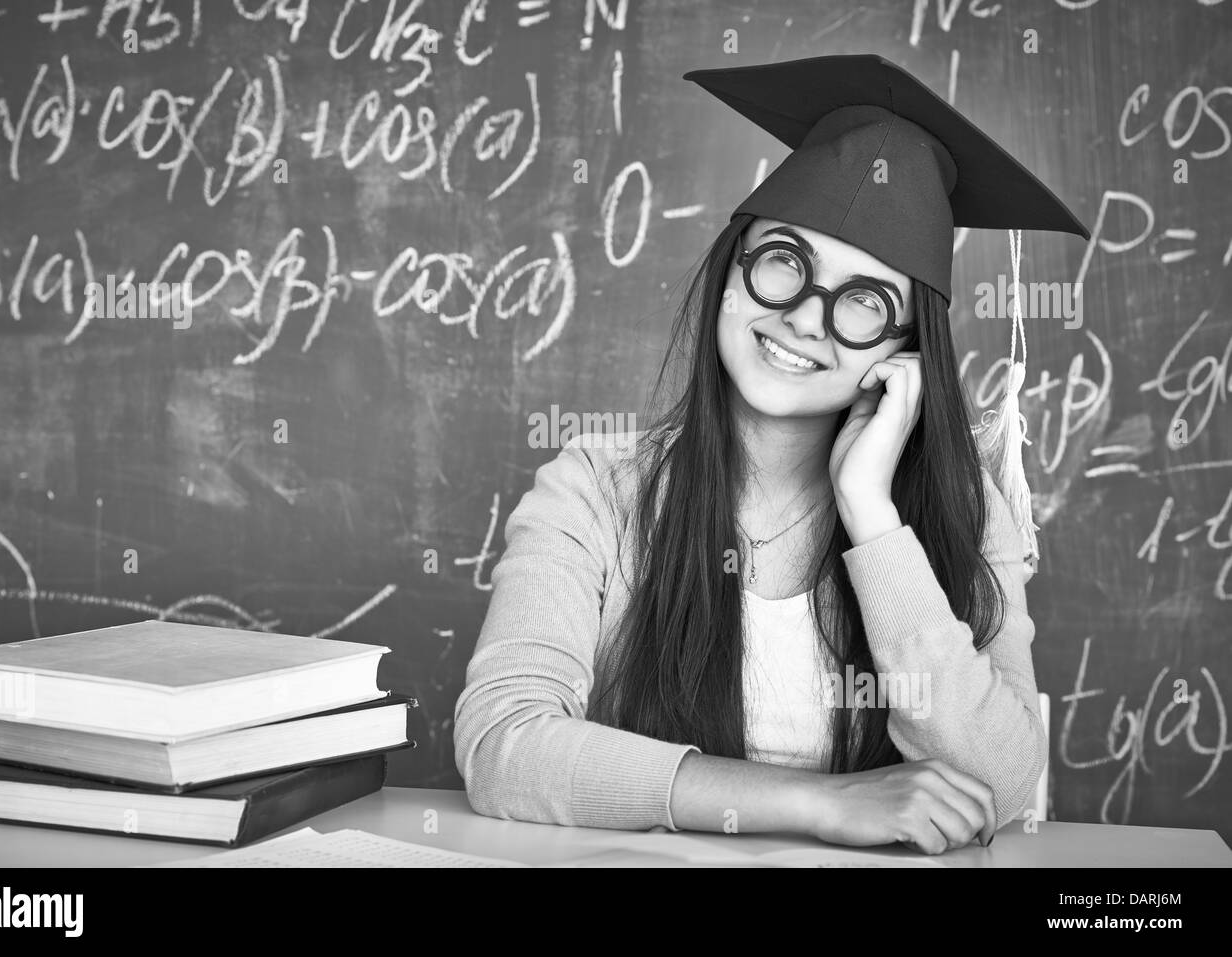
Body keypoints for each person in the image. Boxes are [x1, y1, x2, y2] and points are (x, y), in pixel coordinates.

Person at [453, 54, 1088, 855]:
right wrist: (822, 804)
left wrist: (872, 516)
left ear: (901, 349)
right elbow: (502, 744)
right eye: (785, 261)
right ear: (732, 269)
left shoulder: (963, 514)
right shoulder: (597, 487)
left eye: (864, 301)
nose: (806, 320)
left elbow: (998, 786)